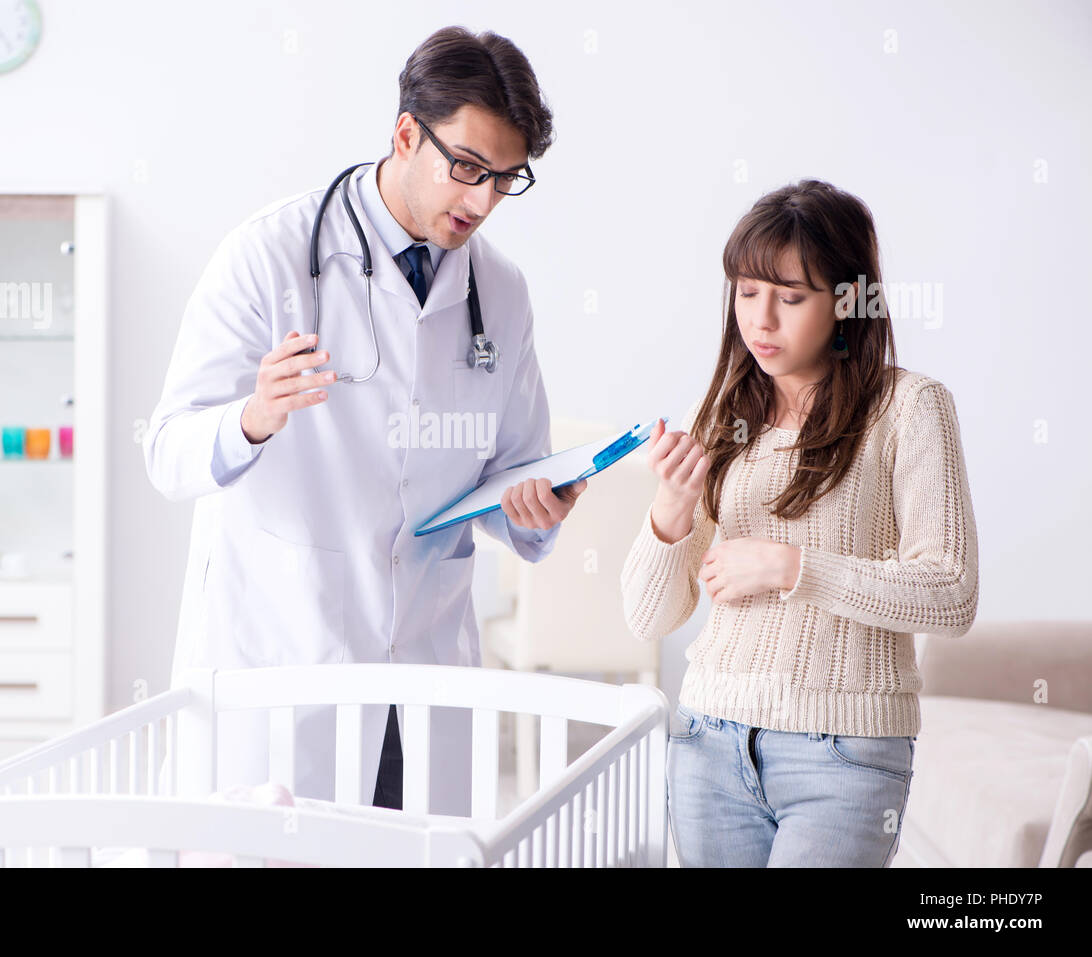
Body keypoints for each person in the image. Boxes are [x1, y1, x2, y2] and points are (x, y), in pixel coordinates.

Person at [143, 26, 586, 816]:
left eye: (505, 179)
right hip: (285, 659)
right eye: (467, 168)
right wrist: (251, 417)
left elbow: (518, 470)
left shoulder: (503, 293)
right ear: (406, 133)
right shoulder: (267, 257)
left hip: (424, 663)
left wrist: (538, 507)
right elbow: (168, 452)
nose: (482, 201)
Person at [621, 179, 979, 866]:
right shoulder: (723, 415)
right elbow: (647, 617)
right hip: (708, 739)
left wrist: (792, 568)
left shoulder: (910, 408)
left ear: (847, 301)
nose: (762, 320)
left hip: (845, 756)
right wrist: (668, 512)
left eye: (791, 298)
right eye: (748, 291)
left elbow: (952, 592)